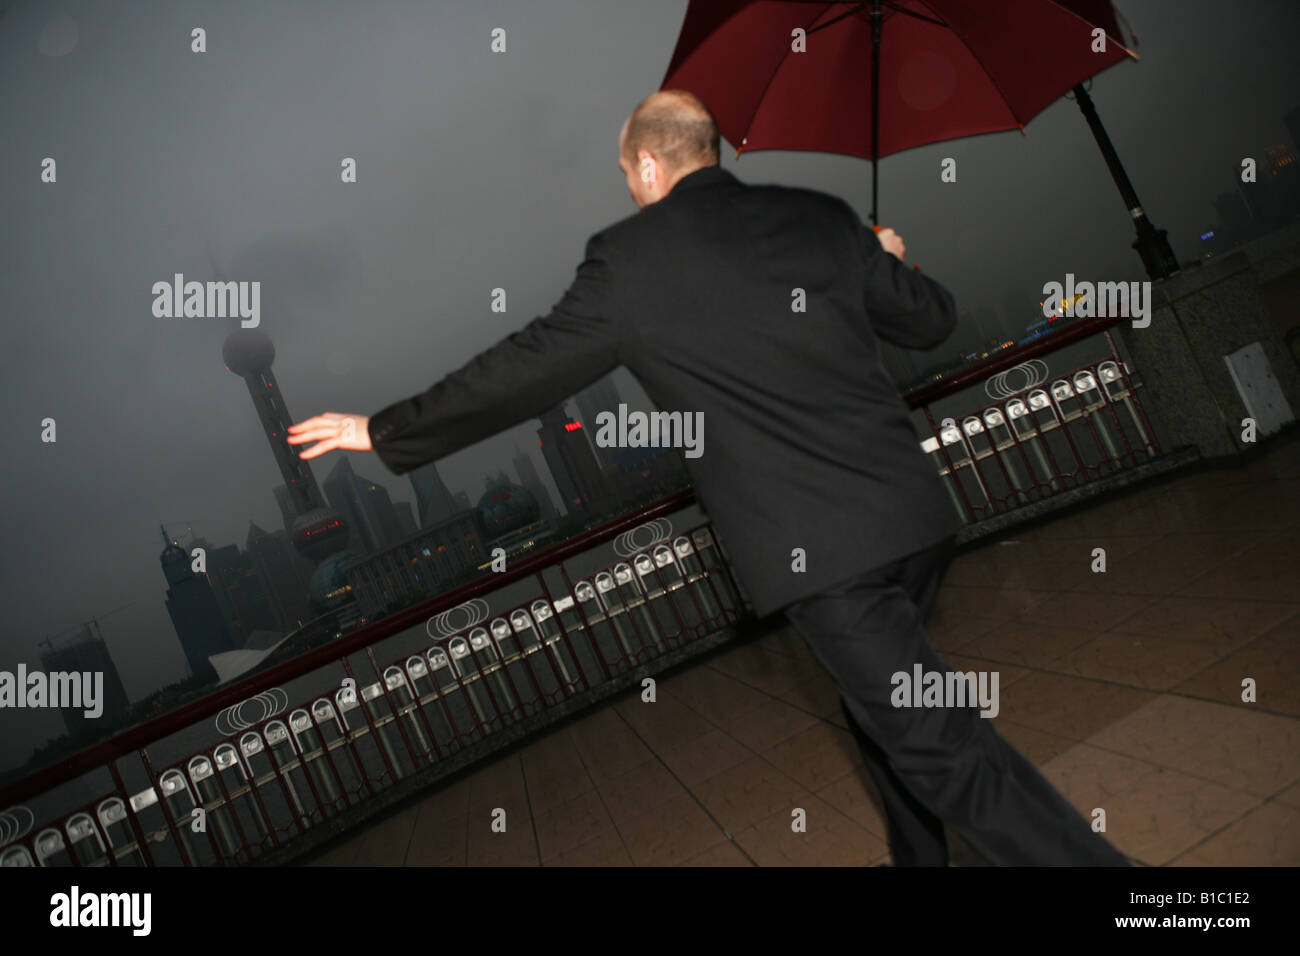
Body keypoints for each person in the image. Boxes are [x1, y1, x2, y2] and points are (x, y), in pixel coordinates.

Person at [288, 89, 1129, 867]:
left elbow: (523, 369)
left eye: (626, 173)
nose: (627, 188)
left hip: (819, 554)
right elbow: (930, 318)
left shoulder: (628, 263)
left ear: (649, 166)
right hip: (912, 517)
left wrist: (384, 429)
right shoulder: (817, 216)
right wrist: (887, 260)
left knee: (942, 747)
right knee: (886, 704)